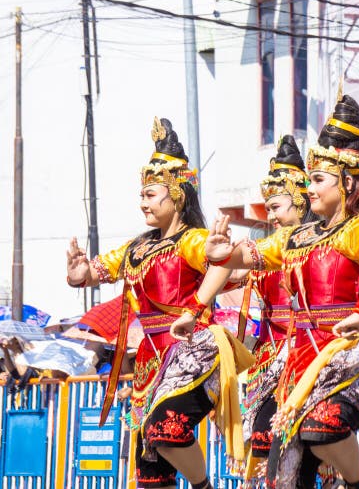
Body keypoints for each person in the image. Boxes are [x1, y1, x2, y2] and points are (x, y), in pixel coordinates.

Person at [172, 94, 359, 489]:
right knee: (285, 477)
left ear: (346, 183)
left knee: (324, 427)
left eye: (317, 180)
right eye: (309, 180)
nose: (310, 188)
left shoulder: (358, 229)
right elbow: (239, 258)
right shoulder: (296, 238)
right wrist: (210, 276)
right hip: (297, 363)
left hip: (347, 355)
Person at [66, 118, 254, 489]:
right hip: (152, 364)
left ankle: (203, 487)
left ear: (177, 195)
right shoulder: (137, 247)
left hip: (192, 351)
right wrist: (77, 272)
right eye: (142, 195)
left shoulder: (193, 240)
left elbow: (219, 263)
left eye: (151, 195)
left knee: (164, 430)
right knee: (151, 471)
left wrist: (196, 303)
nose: (143, 203)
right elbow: (92, 273)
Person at [241, 135, 315, 486]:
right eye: (267, 208)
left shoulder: (321, 246)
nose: (269, 216)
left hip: (309, 356)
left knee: (306, 445)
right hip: (269, 362)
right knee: (263, 438)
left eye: (276, 207)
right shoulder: (265, 251)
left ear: (300, 203)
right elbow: (234, 270)